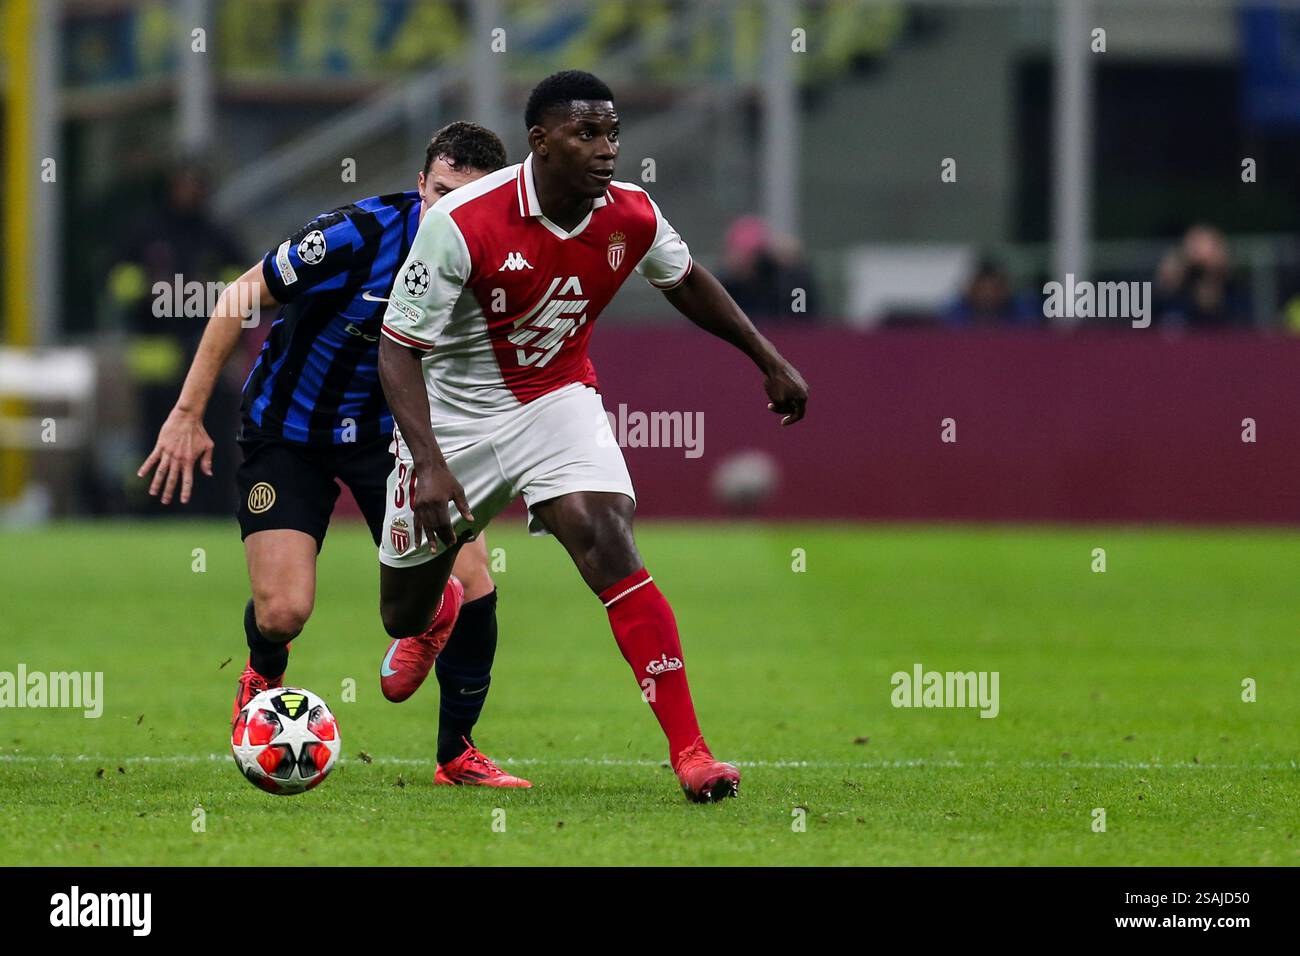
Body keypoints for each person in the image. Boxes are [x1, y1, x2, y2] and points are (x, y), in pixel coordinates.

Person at [376, 71, 810, 802]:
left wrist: (767, 359)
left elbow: (687, 279)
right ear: (540, 142)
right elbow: (396, 349)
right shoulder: (464, 223)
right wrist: (429, 462)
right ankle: (436, 611)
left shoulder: (632, 215)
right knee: (401, 609)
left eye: (612, 133)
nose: (606, 149)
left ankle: (694, 755)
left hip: (557, 400)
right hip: (453, 421)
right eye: (587, 134)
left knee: (606, 536)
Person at [137, 123, 531, 788]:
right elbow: (236, 297)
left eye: (466, 199)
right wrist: (187, 413)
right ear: (419, 187)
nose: (447, 211)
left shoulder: (502, 260)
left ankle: (457, 754)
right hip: (288, 433)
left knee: (475, 574)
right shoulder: (357, 235)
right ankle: (264, 668)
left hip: (394, 437)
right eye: (438, 193)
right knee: (283, 611)